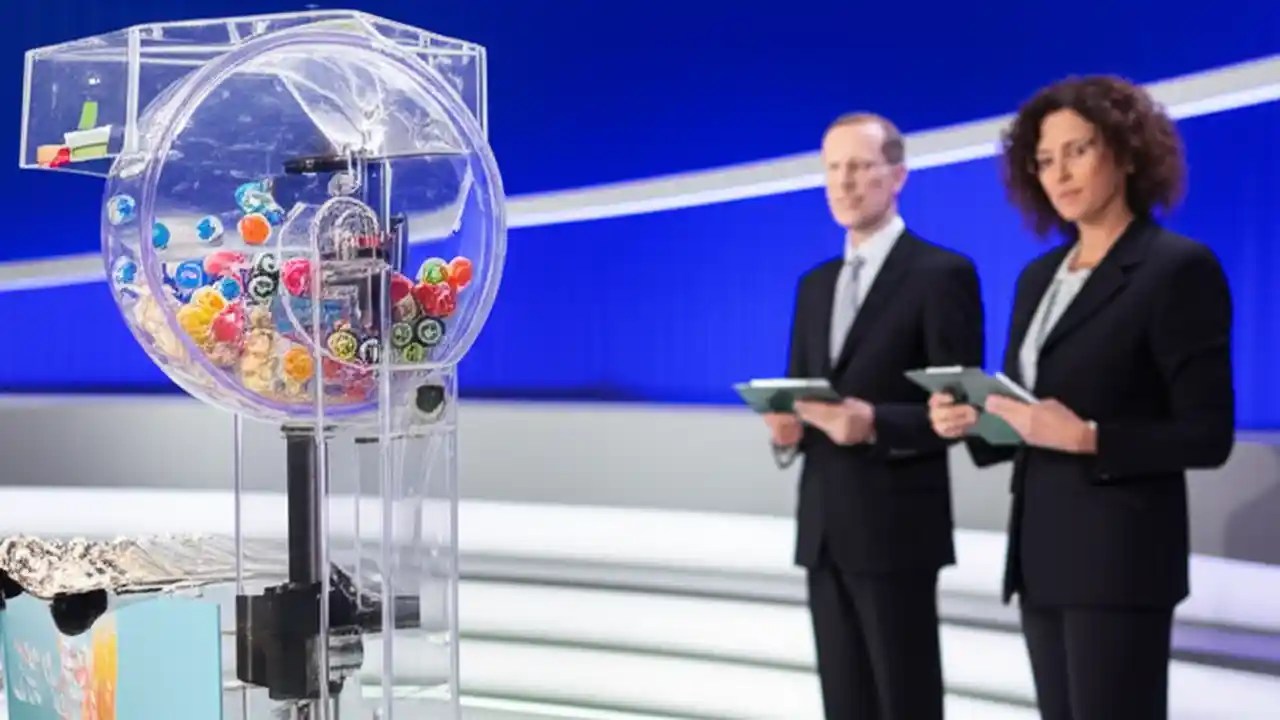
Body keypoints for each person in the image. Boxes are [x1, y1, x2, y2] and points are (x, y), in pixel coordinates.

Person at [927, 75, 1235, 720]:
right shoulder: (1038, 277)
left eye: (1078, 150)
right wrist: (969, 420)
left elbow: (1208, 433)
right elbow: (1023, 423)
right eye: (1043, 160)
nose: (1059, 173)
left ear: (1125, 153)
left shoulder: (1177, 268)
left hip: (1120, 562)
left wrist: (1091, 436)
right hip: (1041, 556)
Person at [765, 112, 984, 720]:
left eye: (859, 166)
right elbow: (802, 396)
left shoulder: (942, 274)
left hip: (897, 530)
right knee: (844, 705)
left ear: (897, 175)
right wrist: (788, 432)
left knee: (905, 700)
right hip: (824, 529)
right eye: (833, 168)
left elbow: (962, 409)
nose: (844, 182)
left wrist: (877, 424)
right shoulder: (814, 285)